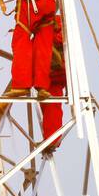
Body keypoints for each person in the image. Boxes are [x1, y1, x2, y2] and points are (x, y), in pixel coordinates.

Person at [40, 15, 65, 157]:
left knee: (51, 105)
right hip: (53, 72)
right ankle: (52, 139)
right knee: (51, 106)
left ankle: (52, 139)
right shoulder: (58, 23)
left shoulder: (57, 24)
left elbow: (59, 39)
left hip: (53, 71)